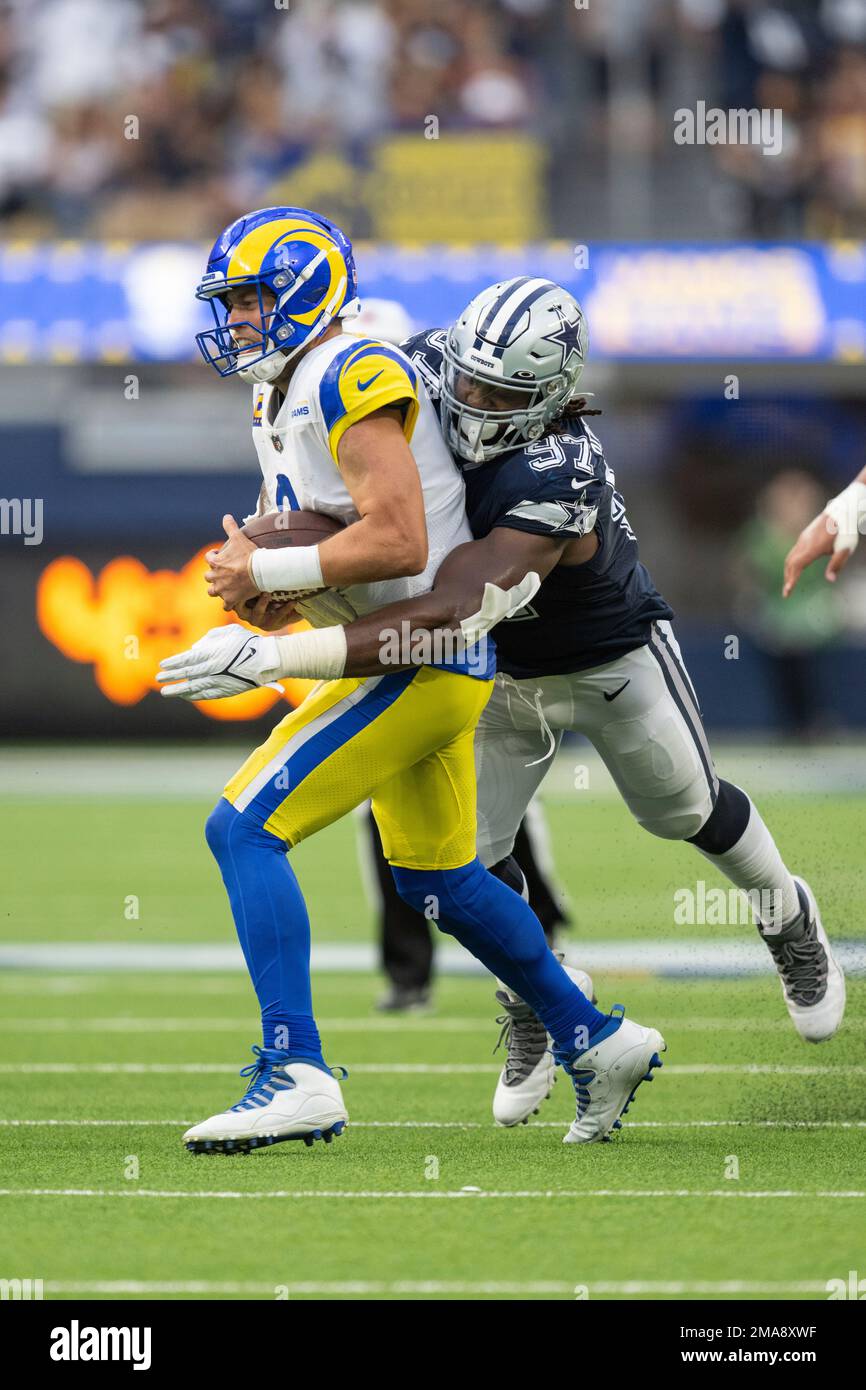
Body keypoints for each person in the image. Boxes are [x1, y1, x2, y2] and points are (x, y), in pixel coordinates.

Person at [171, 276, 846, 1132]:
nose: (474, 402)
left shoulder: (557, 466)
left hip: (603, 657)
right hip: (493, 673)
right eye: (469, 378)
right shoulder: (419, 370)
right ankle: (549, 1003)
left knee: (686, 809)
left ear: (553, 395)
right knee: (465, 865)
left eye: (502, 394)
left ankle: (785, 914)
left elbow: (454, 603)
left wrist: (278, 635)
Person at [159, 216, 664, 1151]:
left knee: (241, 829)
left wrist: (267, 582)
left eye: (248, 298)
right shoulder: (288, 387)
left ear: (306, 290)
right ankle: (596, 1037)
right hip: (418, 657)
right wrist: (282, 587)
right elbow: (334, 536)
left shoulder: (349, 371)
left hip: (417, 655)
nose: (235, 319)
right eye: (228, 303)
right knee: (439, 879)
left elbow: (400, 540)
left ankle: (295, 1069)